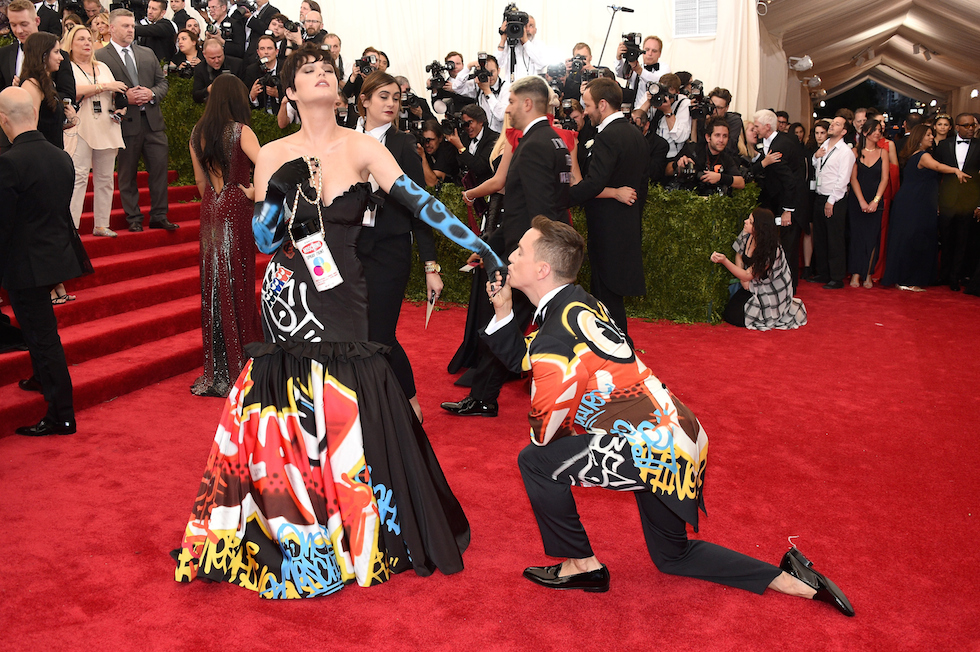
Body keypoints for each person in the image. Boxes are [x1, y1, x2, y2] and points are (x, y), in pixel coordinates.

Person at [174, 43, 507, 599]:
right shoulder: (274, 151)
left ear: (338, 86)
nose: (321, 73)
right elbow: (262, 240)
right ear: (292, 92)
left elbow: (422, 203)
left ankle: (354, 527)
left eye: (327, 67)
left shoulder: (362, 149)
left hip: (344, 292)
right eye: (308, 70)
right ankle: (300, 529)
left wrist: (487, 249)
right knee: (291, 407)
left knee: (349, 400)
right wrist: (285, 196)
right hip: (288, 293)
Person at [481, 216, 845, 617]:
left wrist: (560, 425)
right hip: (679, 436)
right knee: (672, 556)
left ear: (542, 270)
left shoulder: (556, 334)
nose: (509, 257)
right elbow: (534, 357)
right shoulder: (579, 302)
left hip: (647, 446)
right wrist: (502, 313)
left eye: (519, 252)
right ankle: (791, 579)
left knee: (535, 462)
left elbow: (544, 431)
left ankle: (581, 565)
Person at [440, 75, 570, 418]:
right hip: (531, 254)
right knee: (507, 324)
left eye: (511, 101)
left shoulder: (536, 145)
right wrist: (487, 248)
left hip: (530, 259)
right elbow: (527, 209)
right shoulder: (553, 141)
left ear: (528, 104)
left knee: (501, 322)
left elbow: (539, 214)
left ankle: (485, 397)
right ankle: (485, 395)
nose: (507, 108)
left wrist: (523, 261)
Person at [0, 86, 90, 436]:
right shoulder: (60, 156)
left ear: (4, 120)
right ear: (35, 116)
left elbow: (5, 224)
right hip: (53, 257)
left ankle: (61, 415)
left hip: (24, 264)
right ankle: (41, 380)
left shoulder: (8, 163)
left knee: (42, 337)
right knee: (40, 331)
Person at [354, 71, 440, 422]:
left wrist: (431, 265)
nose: (390, 104)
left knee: (380, 333)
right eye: (383, 97)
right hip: (349, 250)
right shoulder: (345, 139)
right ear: (365, 101)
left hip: (389, 253)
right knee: (354, 332)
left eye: (395, 98)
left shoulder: (403, 145)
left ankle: (411, 405)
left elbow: (421, 207)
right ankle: (368, 404)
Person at [186, 74, 262, 397]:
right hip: (235, 206)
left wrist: (213, 202)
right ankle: (242, 365)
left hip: (210, 211)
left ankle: (217, 369)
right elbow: (269, 169)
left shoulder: (196, 133)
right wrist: (255, 190)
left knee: (214, 283)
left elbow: (201, 183)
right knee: (238, 281)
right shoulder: (241, 132)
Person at [567, 77, 646, 342]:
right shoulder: (635, 134)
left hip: (607, 228)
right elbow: (641, 188)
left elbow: (592, 185)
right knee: (608, 292)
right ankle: (610, 346)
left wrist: (559, 200)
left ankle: (618, 349)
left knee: (607, 293)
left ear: (602, 104)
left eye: (588, 105)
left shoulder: (608, 137)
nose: (586, 111)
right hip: (627, 224)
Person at [96, 8, 176, 232]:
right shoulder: (101, 57)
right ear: (112, 28)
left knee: (159, 170)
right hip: (122, 124)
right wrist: (123, 98)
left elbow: (162, 83)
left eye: (132, 26)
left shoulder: (146, 53)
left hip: (153, 122)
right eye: (125, 26)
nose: (131, 30)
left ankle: (159, 215)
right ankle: (133, 218)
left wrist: (151, 94)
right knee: (127, 173)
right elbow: (100, 91)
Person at [881, 124, 971, 291]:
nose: (931, 137)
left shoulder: (914, 154)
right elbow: (937, 167)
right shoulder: (923, 156)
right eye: (928, 135)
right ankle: (907, 280)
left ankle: (905, 278)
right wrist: (955, 170)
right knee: (914, 239)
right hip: (915, 203)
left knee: (911, 238)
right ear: (919, 138)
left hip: (915, 202)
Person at [65, 24, 126, 238]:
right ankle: (72, 226)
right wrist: (103, 87)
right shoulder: (67, 67)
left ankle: (101, 224)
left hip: (107, 124)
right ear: (70, 44)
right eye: (80, 39)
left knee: (106, 177)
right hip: (80, 125)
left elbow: (115, 92)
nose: (86, 43)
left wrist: (121, 105)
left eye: (89, 39)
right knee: (79, 176)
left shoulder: (103, 66)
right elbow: (72, 91)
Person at [712, 208, 807, 329]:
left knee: (738, 317)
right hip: (752, 283)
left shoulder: (770, 250)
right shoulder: (747, 233)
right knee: (731, 313)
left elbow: (748, 275)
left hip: (769, 289)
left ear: (759, 227)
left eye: (750, 221)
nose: (746, 222)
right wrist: (743, 281)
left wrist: (724, 261)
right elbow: (739, 255)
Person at [751, 109, 804, 286]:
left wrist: (787, 210)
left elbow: (790, 181)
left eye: (757, 126)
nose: (754, 129)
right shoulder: (767, 141)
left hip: (785, 204)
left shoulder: (781, 145)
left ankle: (789, 285)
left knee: (787, 247)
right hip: (772, 202)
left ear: (767, 126)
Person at [932, 113, 979, 291]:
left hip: (968, 201)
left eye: (973, 126)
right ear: (957, 127)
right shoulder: (944, 146)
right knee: (945, 239)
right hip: (947, 199)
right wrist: (935, 200)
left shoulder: (979, 146)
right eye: (966, 126)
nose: (970, 129)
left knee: (963, 241)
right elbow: (935, 175)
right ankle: (943, 275)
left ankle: (955, 277)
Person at [808, 116, 855, 290]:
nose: (832, 125)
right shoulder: (824, 145)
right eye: (832, 123)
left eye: (837, 124)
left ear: (843, 131)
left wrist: (831, 201)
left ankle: (836, 276)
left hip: (834, 199)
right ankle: (823, 272)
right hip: (820, 195)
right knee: (820, 237)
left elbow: (843, 179)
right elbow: (817, 166)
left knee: (834, 238)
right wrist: (815, 156)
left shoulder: (845, 152)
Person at [847, 119, 890, 288]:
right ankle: (855, 273)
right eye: (874, 130)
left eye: (880, 130)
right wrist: (862, 202)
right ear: (865, 133)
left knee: (873, 238)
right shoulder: (855, 152)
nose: (878, 133)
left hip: (876, 200)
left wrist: (875, 201)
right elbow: (853, 179)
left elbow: (885, 178)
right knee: (857, 237)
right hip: (857, 200)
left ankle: (868, 274)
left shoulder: (883, 153)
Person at [19, 31, 75, 149]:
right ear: (43, 55)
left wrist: (66, 121)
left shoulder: (46, 83)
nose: (61, 57)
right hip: (41, 155)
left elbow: (47, 123)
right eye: (56, 52)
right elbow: (29, 129)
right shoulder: (31, 85)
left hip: (52, 151)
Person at [615, 34, 669, 110]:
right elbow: (621, 74)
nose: (649, 54)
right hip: (636, 114)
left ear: (660, 54)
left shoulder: (664, 68)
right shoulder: (637, 66)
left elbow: (659, 81)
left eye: (654, 51)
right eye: (647, 50)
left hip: (657, 114)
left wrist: (639, 70)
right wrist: (618, 58)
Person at [191, 38, 244, 103]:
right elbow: (196, 96)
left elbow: (244, 90)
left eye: (219, 56)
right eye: (212, 58)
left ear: (223, 50)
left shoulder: (237, 64)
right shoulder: (200, 69)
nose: (217, 61)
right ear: (204, 55)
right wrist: (208, 90)